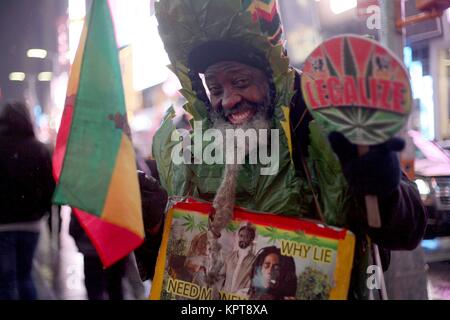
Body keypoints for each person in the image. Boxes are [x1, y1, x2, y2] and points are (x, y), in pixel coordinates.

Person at [135, 0, 427, 299]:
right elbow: (193, 264)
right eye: (216, 89)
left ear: (272, 75)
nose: (228, 100)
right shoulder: (201, 144)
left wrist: (382, 187)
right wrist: (159, 223)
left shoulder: (324, 121)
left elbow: (406, 230)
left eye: (240, 81)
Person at [0, 101, 55, 300]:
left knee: (6, 281)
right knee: (25, 276)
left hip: (3, 225)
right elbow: (50, 188)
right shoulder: (38, 149)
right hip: (31, 223)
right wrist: (46, 216)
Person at [69, 215, 126, 300]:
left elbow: (73, 229)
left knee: (94, 290)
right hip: (114, 253)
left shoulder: (84, 202)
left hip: (91, 253)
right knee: (115, 289)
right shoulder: (121, 204)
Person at [222, 223, 256, 295]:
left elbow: (254, 282)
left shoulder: (255, 260)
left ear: (252, 239)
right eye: (241, 236)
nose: (243, 239)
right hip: (224, 295)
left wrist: (243, 293)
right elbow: (222, 276)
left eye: (247, 236)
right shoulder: (230, 257)